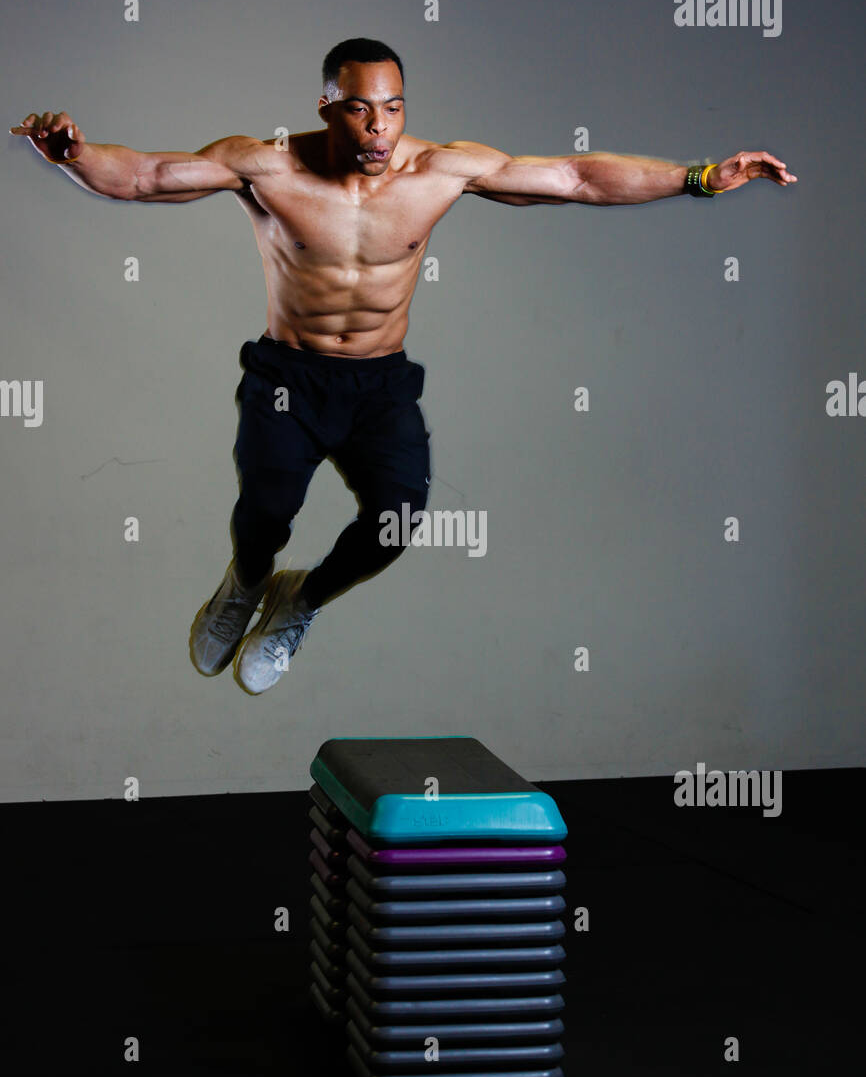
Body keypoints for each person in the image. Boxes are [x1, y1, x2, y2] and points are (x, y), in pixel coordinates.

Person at [11, 37, 796, 695]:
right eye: (359, 107)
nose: (379, 126)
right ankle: (246, 581)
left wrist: (700, 178)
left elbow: (576, 177)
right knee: (267, 512)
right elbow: (146, 176)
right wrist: (72, 155)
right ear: (327, 106)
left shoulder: (440, 171)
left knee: (395, 524)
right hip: (289, 375)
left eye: (393, 106)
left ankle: (298, 601)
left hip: (379, 384)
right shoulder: (269, 167)